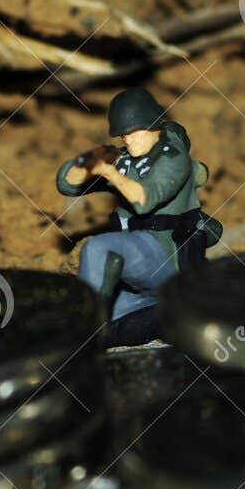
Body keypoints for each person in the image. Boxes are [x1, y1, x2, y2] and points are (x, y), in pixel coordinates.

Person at [56, 88, 217, 345]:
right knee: (105, 322)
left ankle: (90, 336)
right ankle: (167, 315)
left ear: (152, 125)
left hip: (166, 257)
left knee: (99, 249)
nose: (127, 140)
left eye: (132, 132)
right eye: (123, 135)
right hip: (141, 274)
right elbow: (67, 183)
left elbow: (144, 201)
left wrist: (112, 175)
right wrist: (91, 160)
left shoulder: (173, 159)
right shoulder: (127, 159)